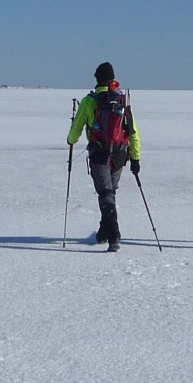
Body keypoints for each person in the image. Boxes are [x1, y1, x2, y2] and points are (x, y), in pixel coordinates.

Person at [67, 62, 142, 252]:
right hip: (118, 154)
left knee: (105, 193)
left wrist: (71, 140)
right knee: (110, 192)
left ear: (97, 80)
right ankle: (103, 232)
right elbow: (133, 132)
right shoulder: (121, 101)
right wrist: (135, 157)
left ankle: (114, 236)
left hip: (99, 153)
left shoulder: (89, 101)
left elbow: (76, 130)